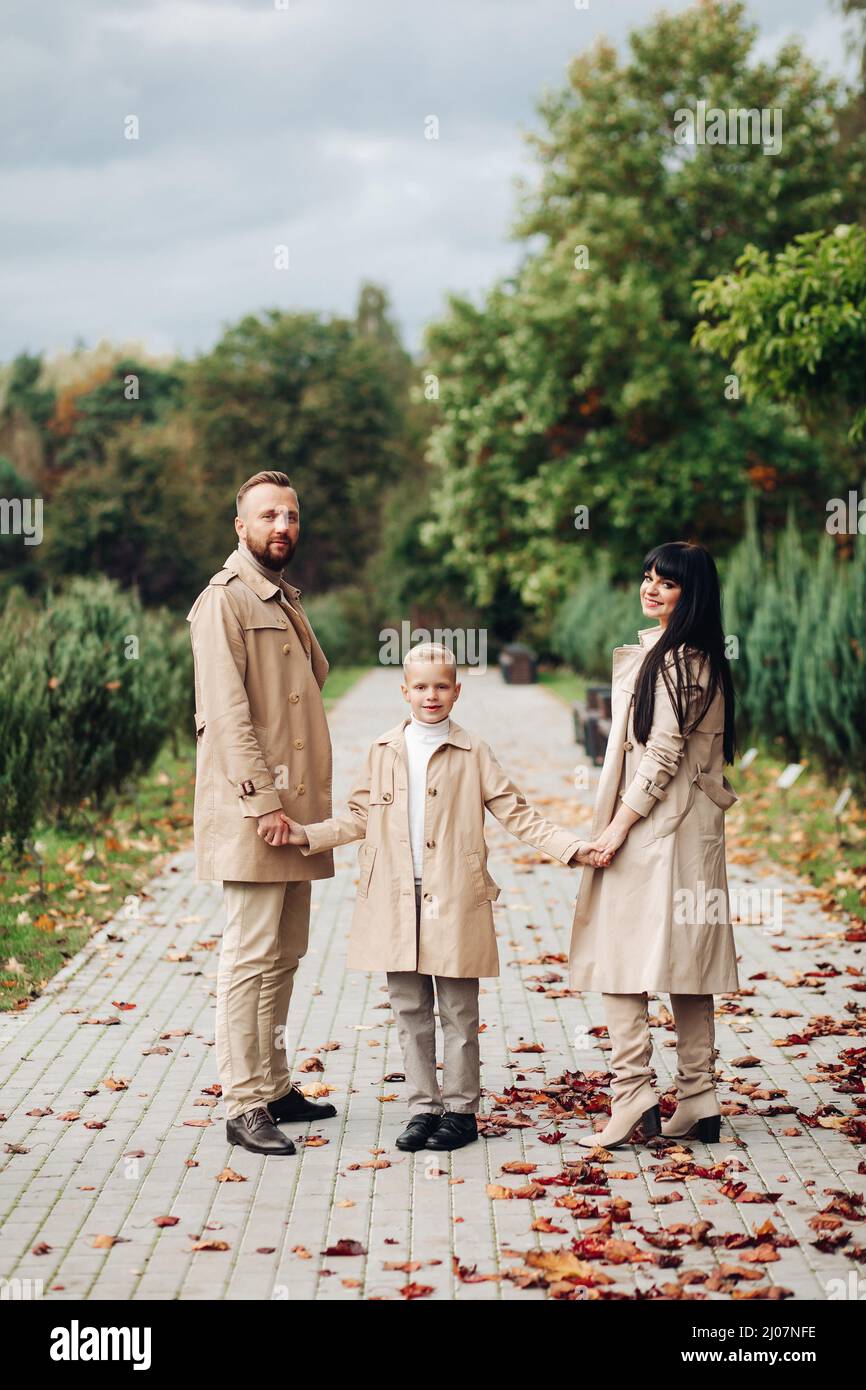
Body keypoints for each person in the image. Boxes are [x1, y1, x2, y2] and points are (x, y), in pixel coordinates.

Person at [282, 642, 597, 1153]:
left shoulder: (473, 752)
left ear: (457, 691)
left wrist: (570, 847)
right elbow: (360, 816)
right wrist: (309, 835)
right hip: (394, 897)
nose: (432, 695)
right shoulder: (383, 750)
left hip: (453, 892)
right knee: (409, 1008)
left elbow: (517, 812)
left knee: (458, 1010)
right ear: (405, 690)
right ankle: (422, 1109)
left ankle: (460, 1112)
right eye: (421, 686)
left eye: (442, 686)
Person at [186, 470, 338, 1157]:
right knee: (248, 956)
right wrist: (262, 802)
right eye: (269, 516)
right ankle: (242, 1103)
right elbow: (225, 716)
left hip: (295, 813)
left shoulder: (279, 596)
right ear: (240, 527)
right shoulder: (223, 602)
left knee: (286, 953)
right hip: (259, 812)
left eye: (292, 515)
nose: (284, 526)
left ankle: (275, 1085)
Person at [569, 542, 740, 1150]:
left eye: (665, 583)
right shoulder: (701, 658)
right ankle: (699, 1096)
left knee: (617, 955)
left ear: (690, 593)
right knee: (688, 964)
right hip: (691, 832)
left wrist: (616, 826)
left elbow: (662, 754)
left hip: (654, 829)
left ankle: (632, 1093)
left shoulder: (674, 662)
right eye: (646, 577)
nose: (650, 589)